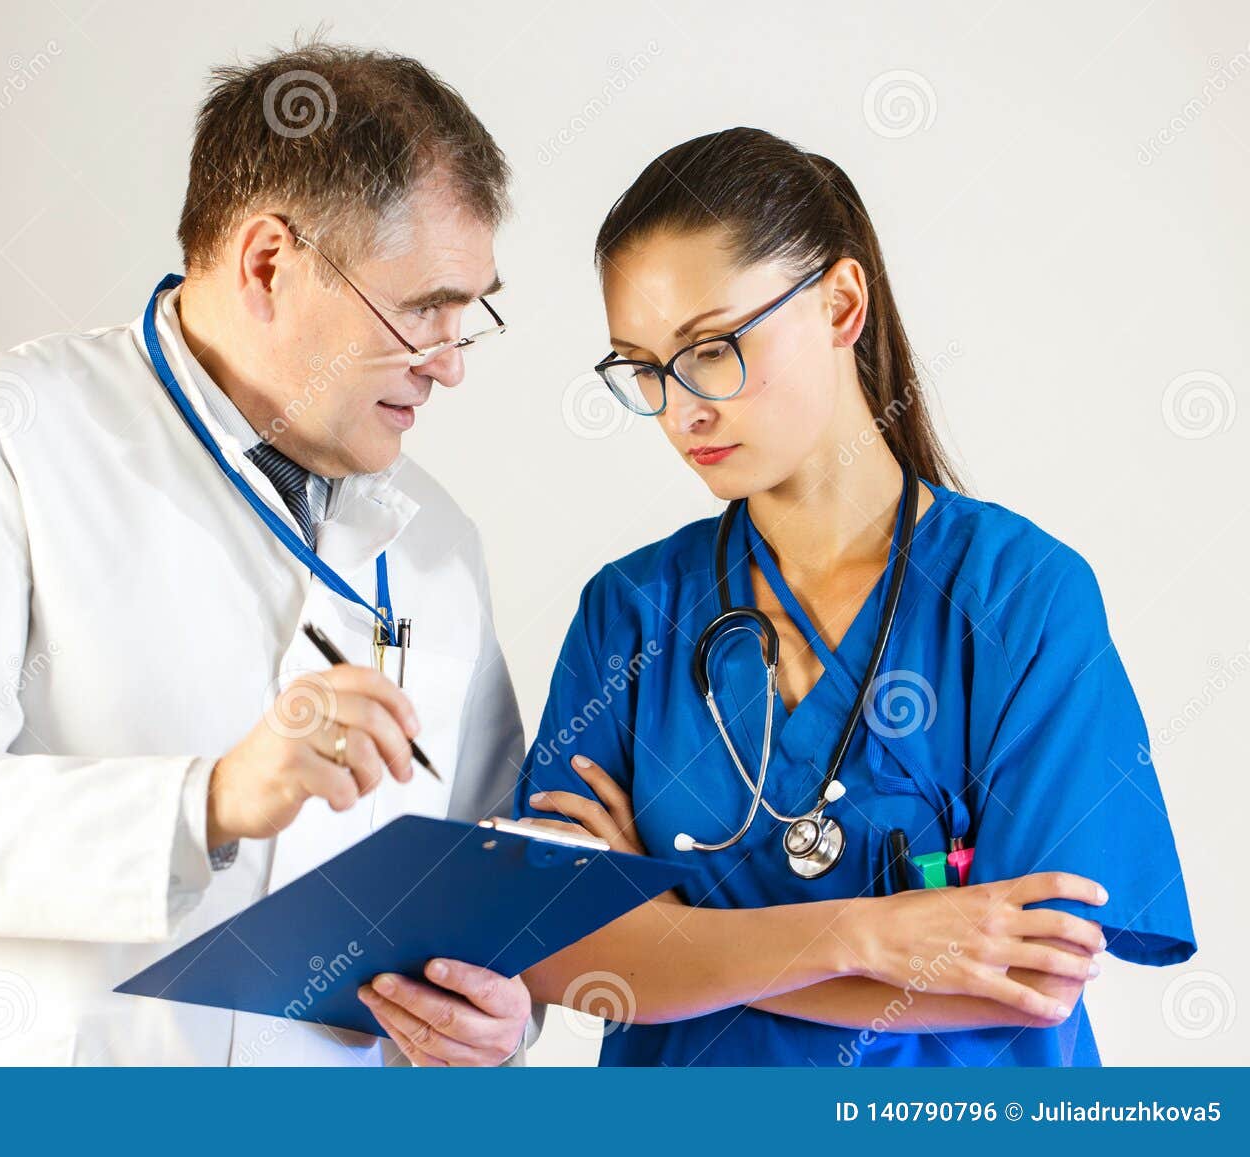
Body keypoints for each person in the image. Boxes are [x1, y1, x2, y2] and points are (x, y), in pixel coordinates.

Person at [0, 43, 533, 1067]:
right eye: (421, 310)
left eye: (469, 313)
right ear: (268, 264)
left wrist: (499, 1008)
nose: (451, 365)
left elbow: (475, 870)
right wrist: (209, 798)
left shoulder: (436, 539)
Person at [511, 128, 1194, 1066]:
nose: (681, 409)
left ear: (840, 304)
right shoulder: (631, 612)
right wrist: (865, 936)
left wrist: (673, 933)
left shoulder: (1019, 599)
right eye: (642, 367)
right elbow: (548, 945)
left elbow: (1036, 974)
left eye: (711, 349)